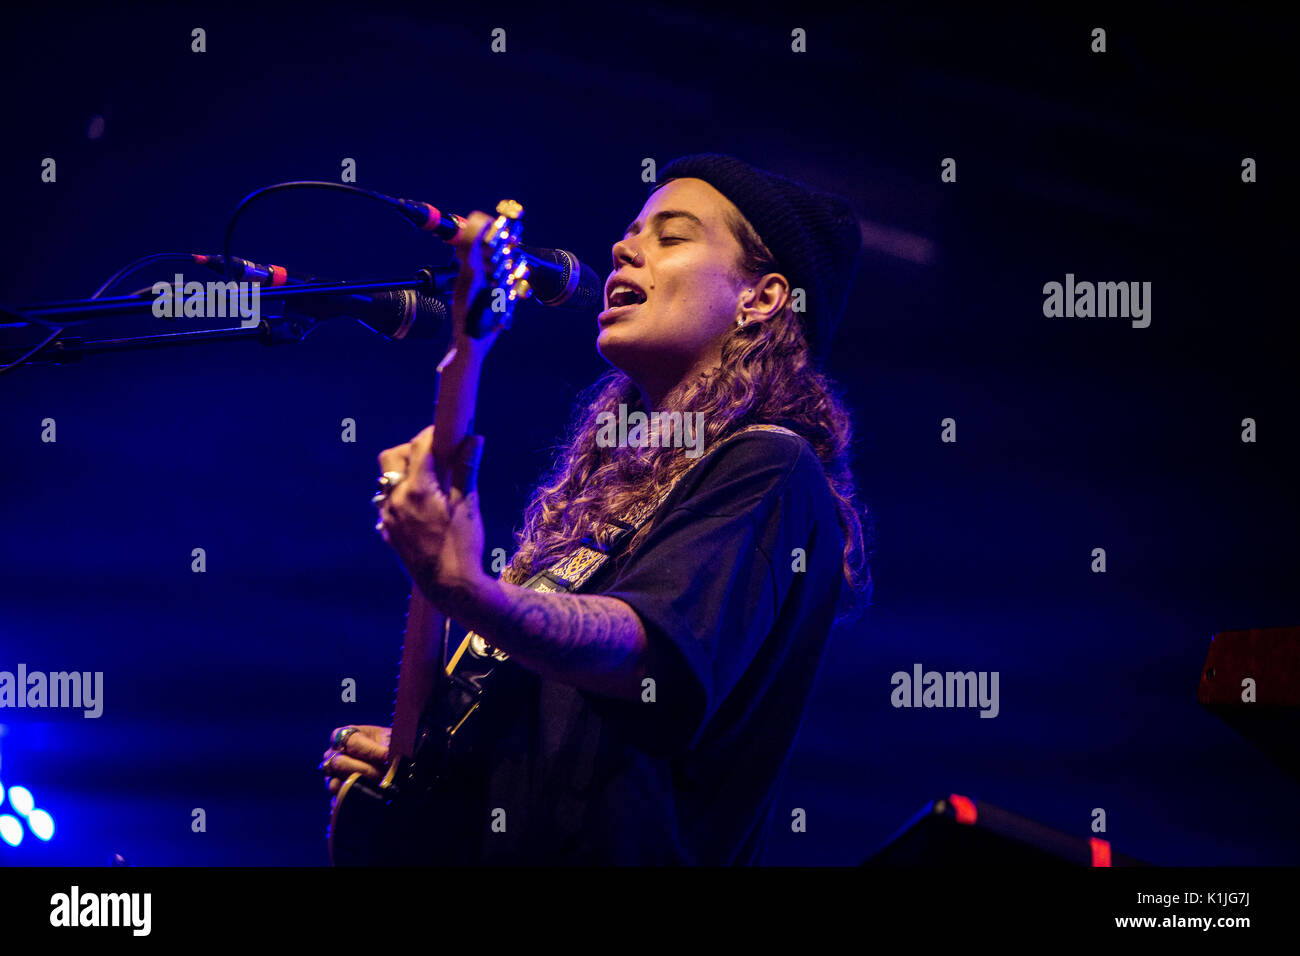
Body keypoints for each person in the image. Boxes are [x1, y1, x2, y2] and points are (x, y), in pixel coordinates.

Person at [321, 152, 872, 864]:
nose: (622, 247)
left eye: (671, 236)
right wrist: (423, 766)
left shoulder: (771, 465)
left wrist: (468, 588)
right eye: (631, 231)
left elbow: (648, 656)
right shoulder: (604, 497)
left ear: (762, 298)